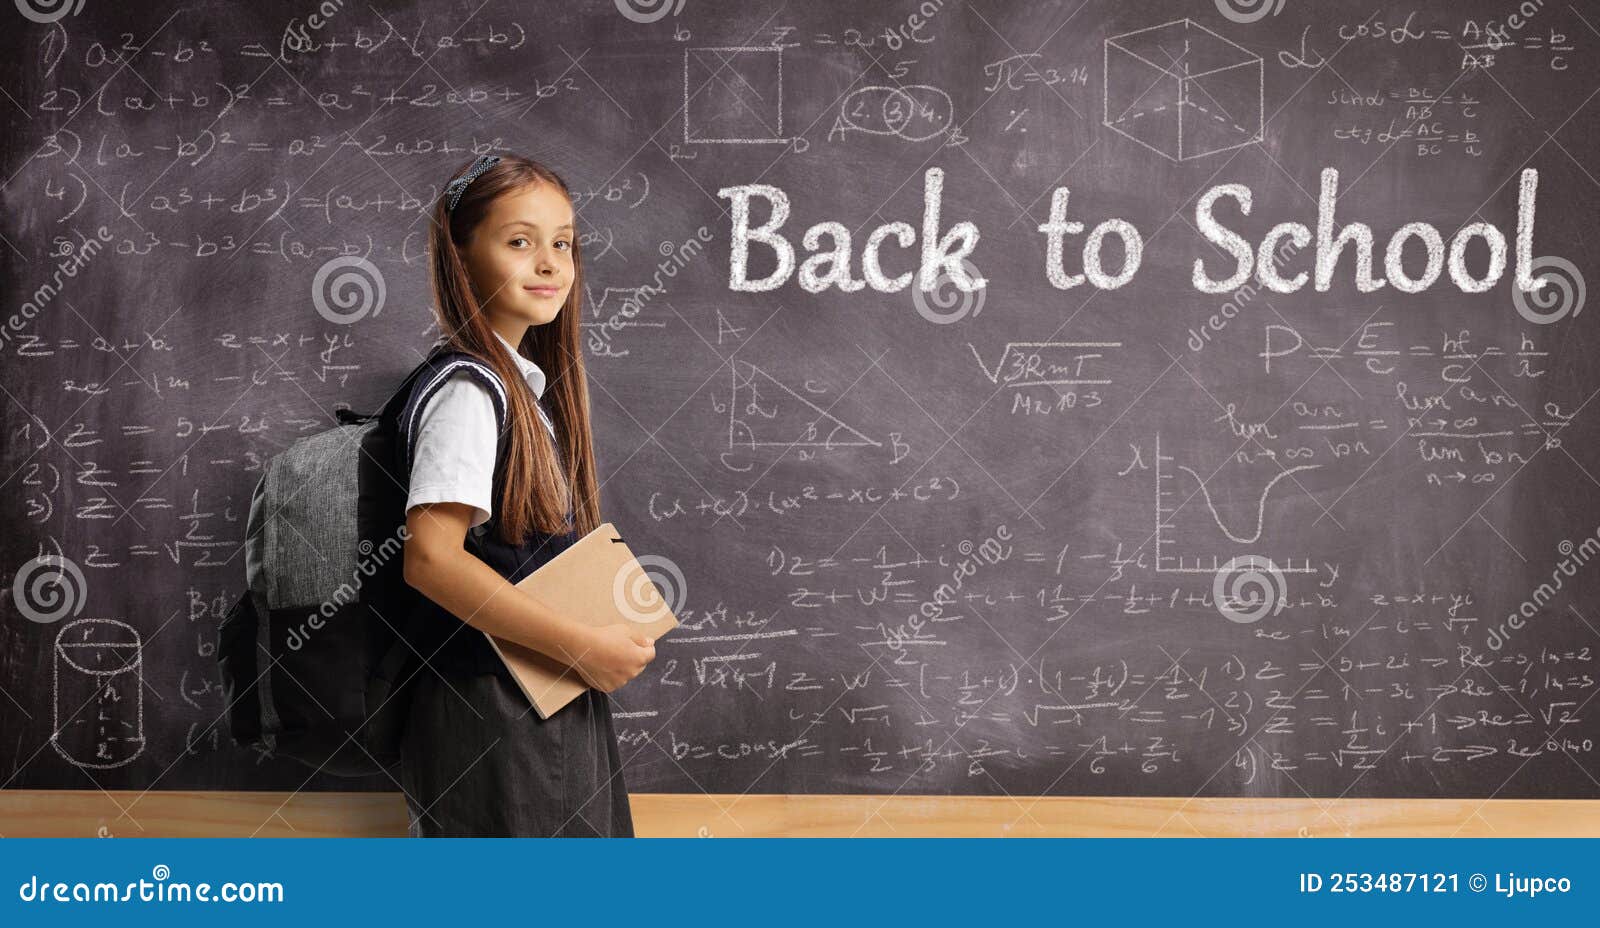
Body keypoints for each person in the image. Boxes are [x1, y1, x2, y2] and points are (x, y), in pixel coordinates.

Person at [395, 152, 655, 837]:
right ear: (461, 256)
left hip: (539, 701)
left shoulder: (518, 389)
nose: (548, 263)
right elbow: (430, 560)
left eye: (562, 243)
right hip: (498, 709)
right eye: (519, 241)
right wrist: (580, 647)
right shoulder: (466, 393)